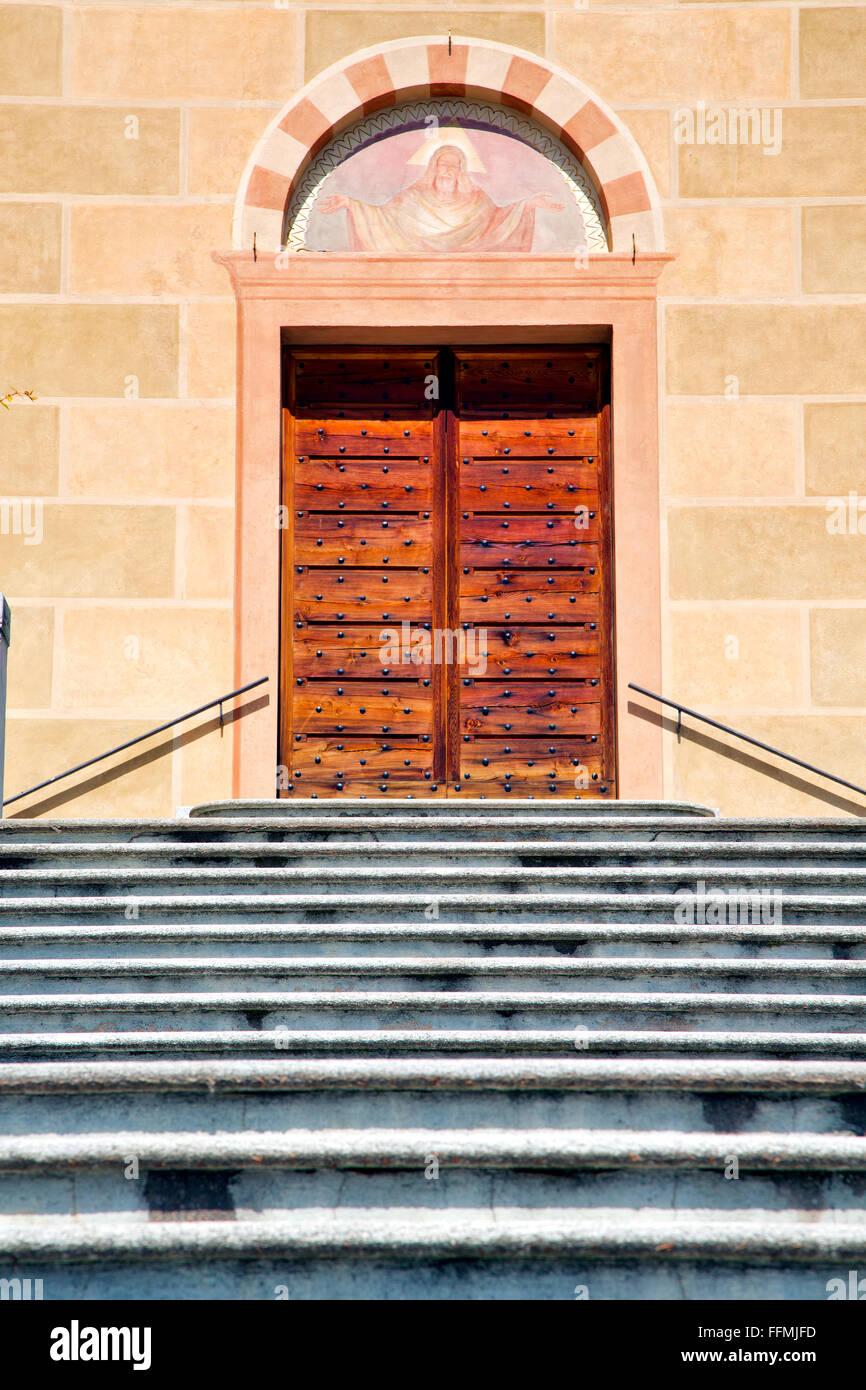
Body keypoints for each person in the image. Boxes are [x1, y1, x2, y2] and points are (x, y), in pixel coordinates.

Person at [317, 144, 563, 253]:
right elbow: (384, 217)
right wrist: (352, 204)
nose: (447, 171)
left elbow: (497, 220)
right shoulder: (412, 197)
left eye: (454, 166)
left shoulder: (477, 200)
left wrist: (528, 204)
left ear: (461, 171)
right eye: (442, 164)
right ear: (432, 168)